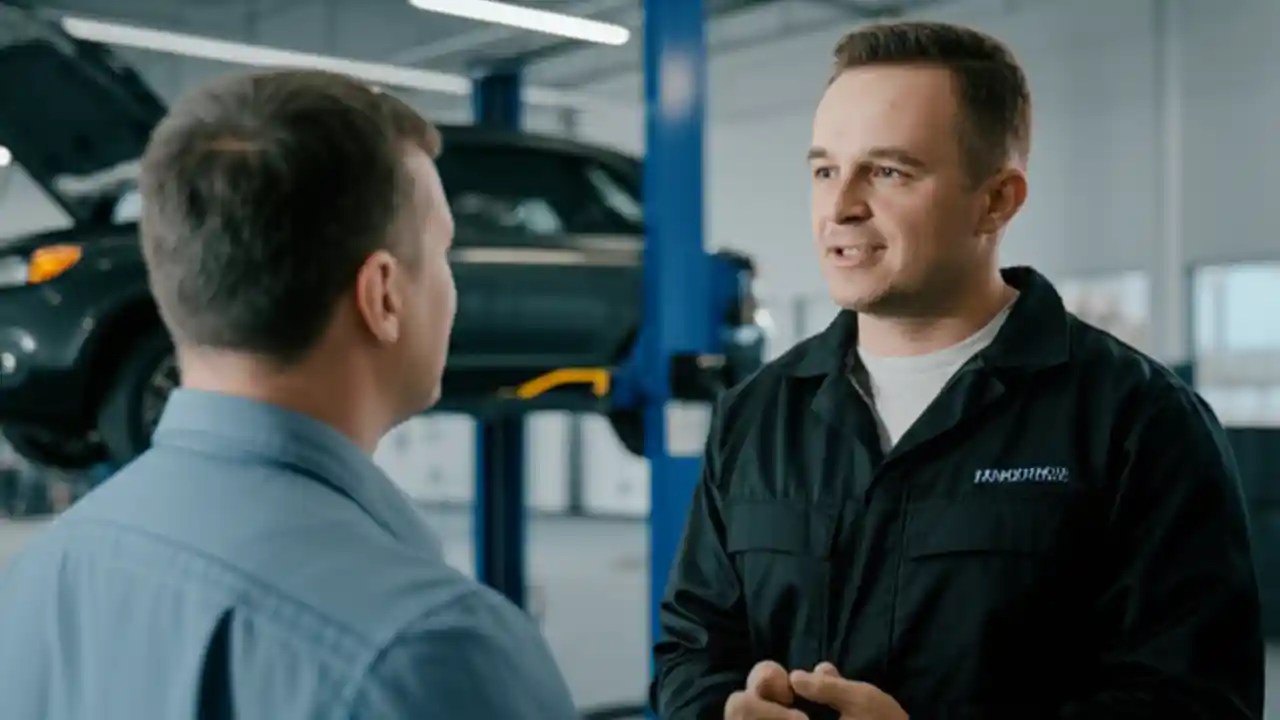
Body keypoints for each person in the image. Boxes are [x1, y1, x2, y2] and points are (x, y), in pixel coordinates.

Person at [650, 20, 1264, 720]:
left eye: (887, 171)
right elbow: (689, 650)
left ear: (996, 200)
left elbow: (1197, 702)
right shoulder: (757, 415)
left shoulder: (1137, 421)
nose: (841, 206)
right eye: (825, 169)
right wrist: (722, 708)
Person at [0, 69, 578, 719]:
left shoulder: (42, 575)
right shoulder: (431, 651)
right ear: (382, 295)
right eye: (443, 250)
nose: (452, 287)